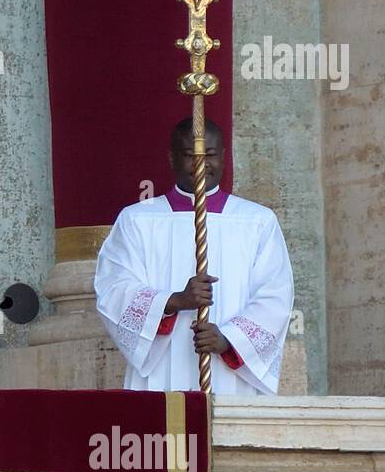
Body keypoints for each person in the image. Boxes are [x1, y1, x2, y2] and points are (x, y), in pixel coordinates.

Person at [94, 117, 294, 395]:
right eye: (190, 156)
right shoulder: (137, 220)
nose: (201, 164)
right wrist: (175, 301)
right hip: (161, 371)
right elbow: (113, 289)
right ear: (172, 158)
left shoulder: (257, 221)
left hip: (228, 376)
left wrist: (228, 340)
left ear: (224, 156)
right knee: (164, 439)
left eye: (210, 155)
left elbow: (276, 298)